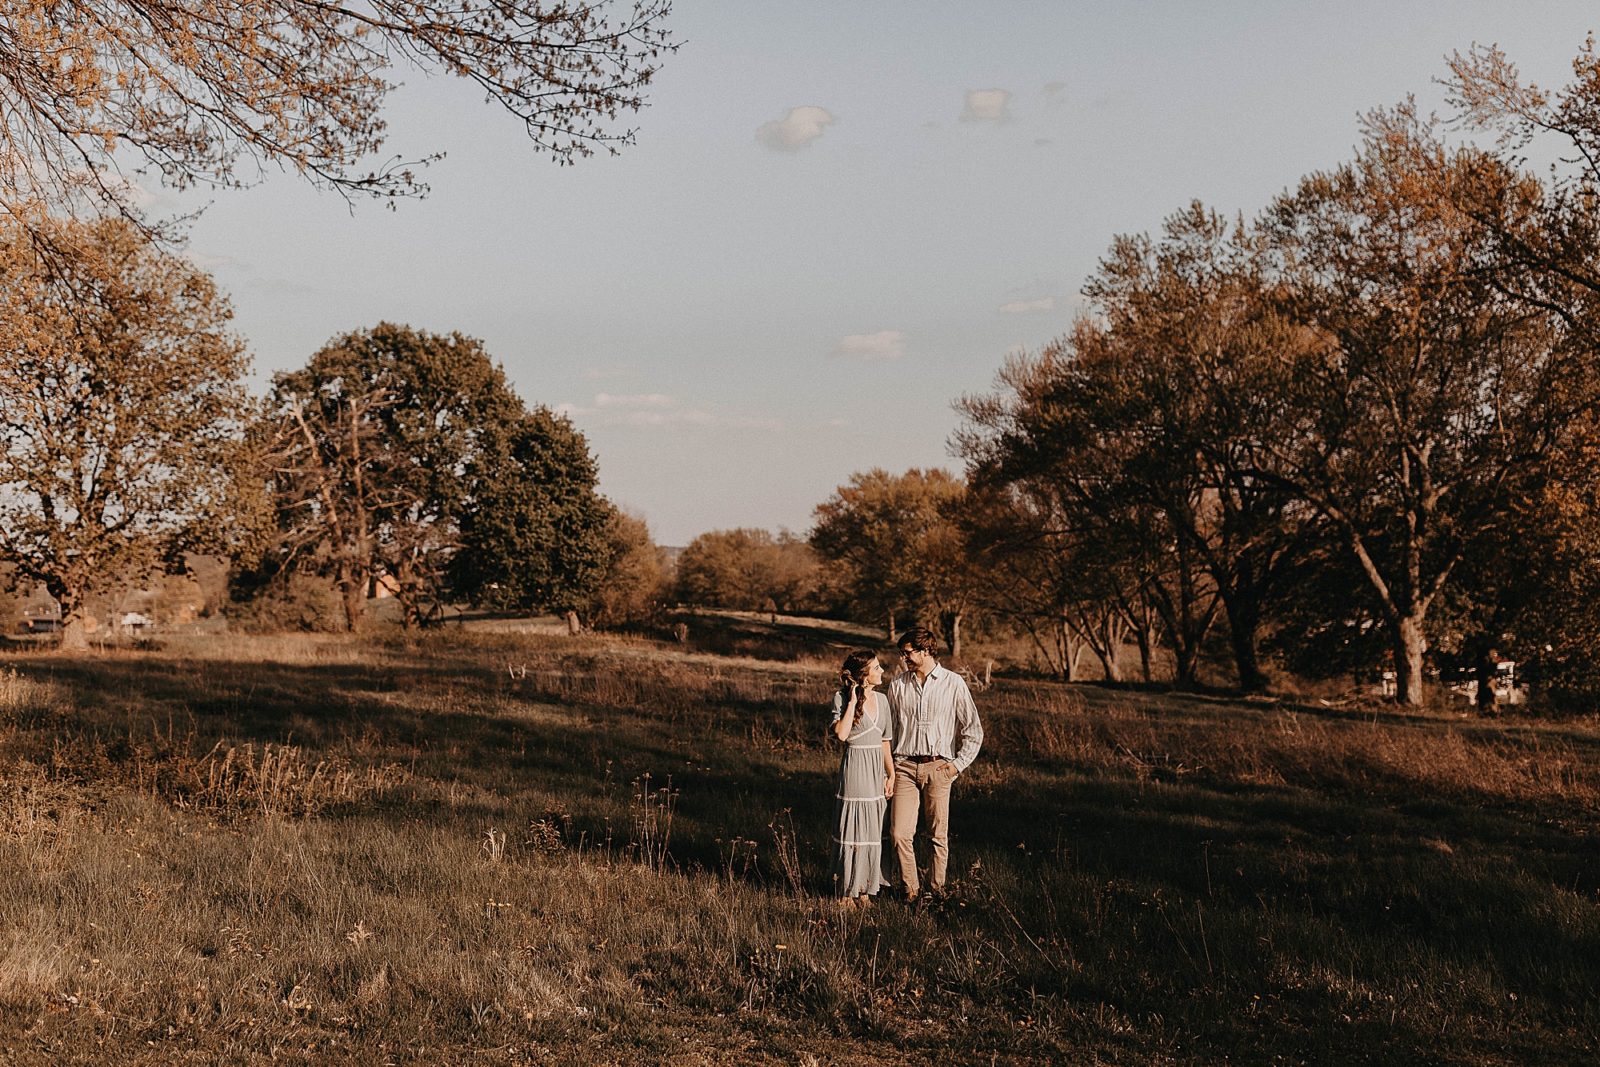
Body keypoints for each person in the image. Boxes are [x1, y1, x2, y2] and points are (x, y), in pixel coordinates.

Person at [885, 626, 983, 901]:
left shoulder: (953, 683)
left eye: (907, 653)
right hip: (904, 767)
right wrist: (889, 768)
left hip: (938, 768)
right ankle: (911, 890)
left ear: (926, 650)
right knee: (899, 834)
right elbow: (889, 731)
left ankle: (936, 892)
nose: (903, 658)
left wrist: (956, 766)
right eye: (901, 653)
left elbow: (973, 730)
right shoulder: (898, 685)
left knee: (937, 835)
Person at [828, 649, 895, 906]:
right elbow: (842, 735)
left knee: (874, 829)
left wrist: (891, 774)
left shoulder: (883, 700)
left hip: (877, 770)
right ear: (863, 674)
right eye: (876, 667)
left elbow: (885, 741)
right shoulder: (841, 698)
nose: (882, 671)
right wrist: (854, 700)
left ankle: (865, 888)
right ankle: (847, 891)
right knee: (853, 828)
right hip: (855, 768)